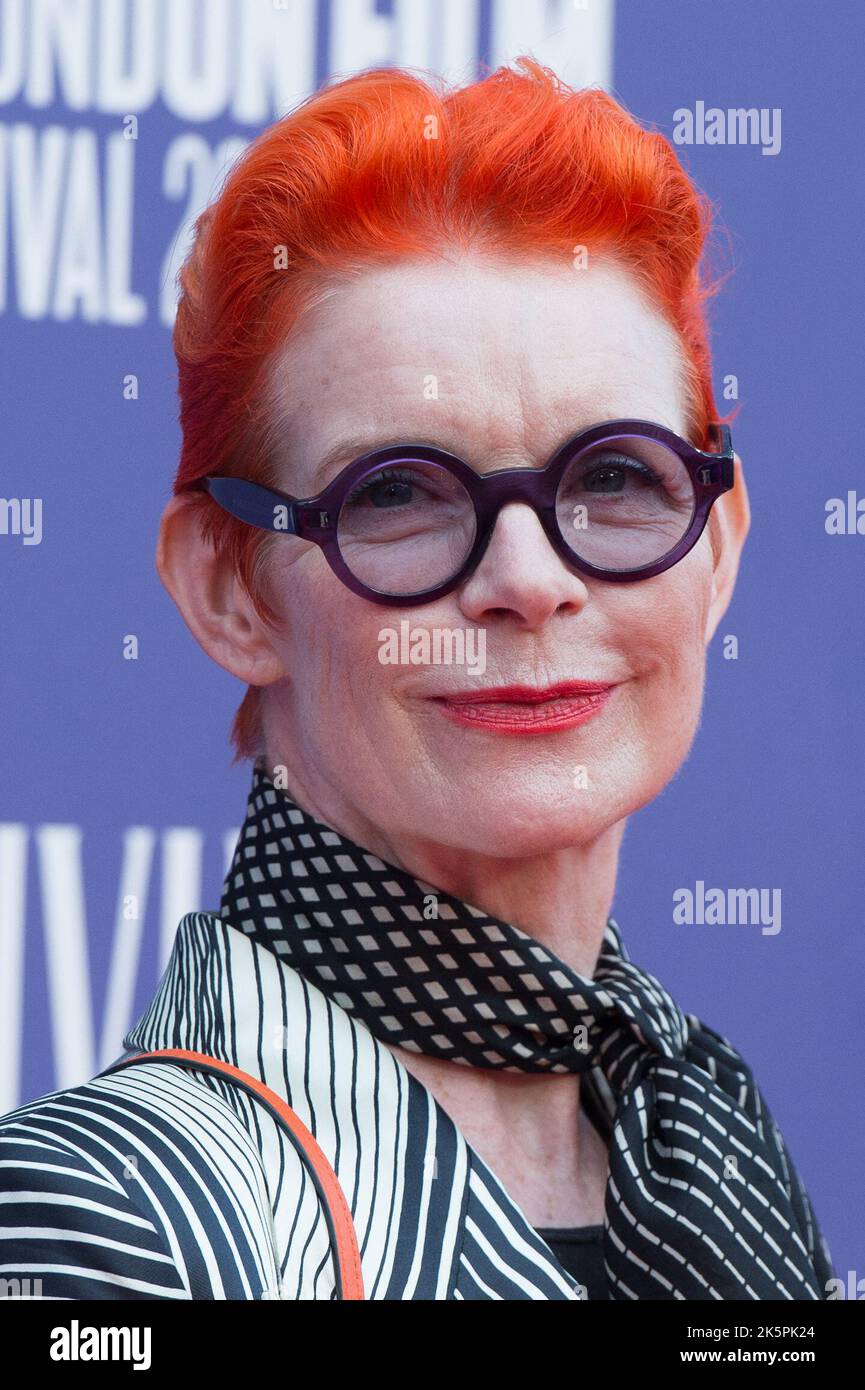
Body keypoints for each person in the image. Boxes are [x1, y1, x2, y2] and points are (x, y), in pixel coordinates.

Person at [0, 57, 834, 1300]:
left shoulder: (710, 1159)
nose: (529, 577)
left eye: (613, 479)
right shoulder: (109, 1220)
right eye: (397, 493)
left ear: (713, 550)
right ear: (230, 588)